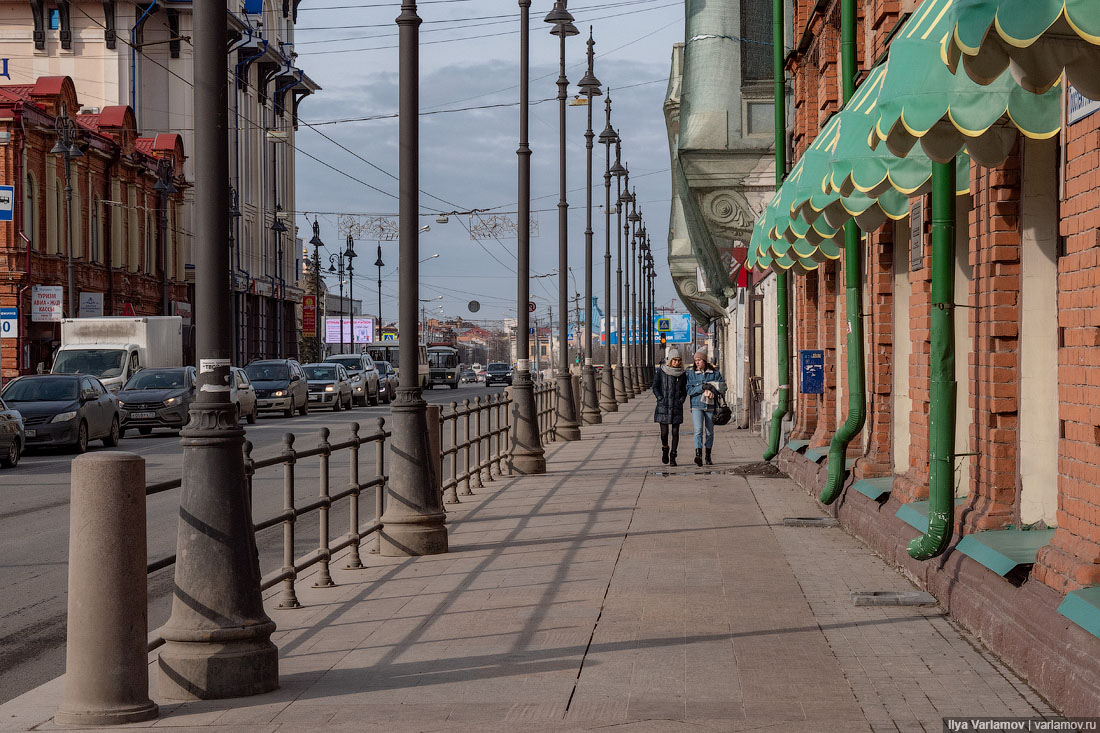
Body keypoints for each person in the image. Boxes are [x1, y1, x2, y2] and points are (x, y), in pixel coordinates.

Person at [686, 348, 726, 466]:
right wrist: (701, 388)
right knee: (698, 431)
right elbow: (689, 390)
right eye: (695, 360)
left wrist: (713, 390)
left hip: (710, 406)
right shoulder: (692, 374)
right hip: (697, 406)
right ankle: (698, 455)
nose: (697, 362)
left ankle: (708, 456)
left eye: (699, 360)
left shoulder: (715, 373)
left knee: (709, 432)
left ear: (704, 361)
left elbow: (723, 387)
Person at [652, 347, 687, 466]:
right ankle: (665, 448)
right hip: (664, 406)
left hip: (676, 405)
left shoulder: (682, 373)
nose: (677, 362)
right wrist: (660, 398)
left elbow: (684, 389)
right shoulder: (661, 371)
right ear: (670, 360)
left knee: (676, 432)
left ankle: (673, 455)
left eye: (679, 360)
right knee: (664, 433)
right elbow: (655, 386)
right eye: (675, 360)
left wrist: (681, 399)